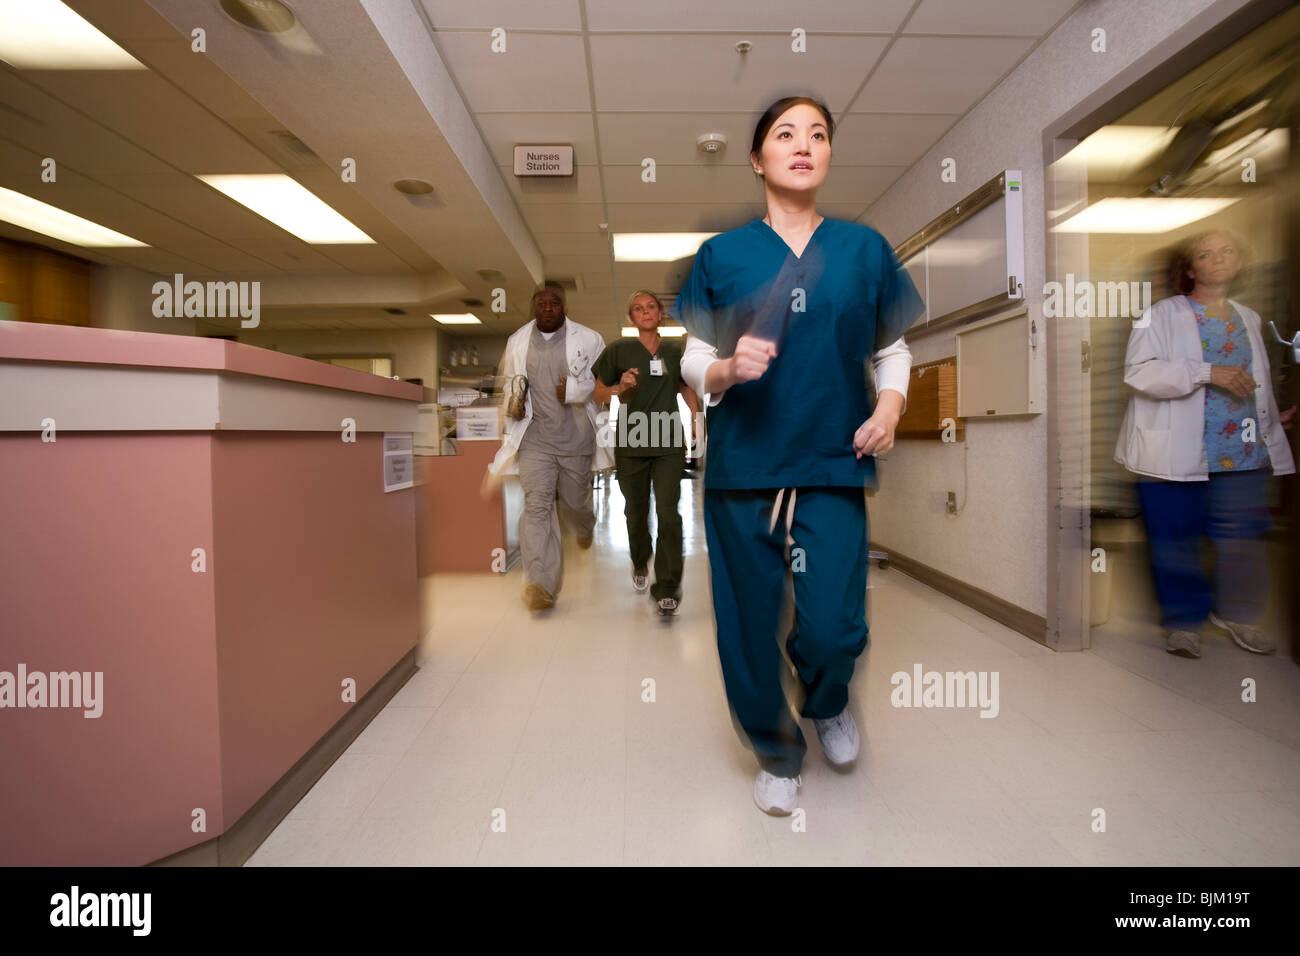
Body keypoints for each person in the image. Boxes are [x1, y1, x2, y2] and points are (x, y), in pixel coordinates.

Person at [676, 96, 921, 815]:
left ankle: (828, 698)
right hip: (745, 469)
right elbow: (691, 356)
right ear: (757, 159)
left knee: (833, 626)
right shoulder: (721, 256)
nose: (804, 144)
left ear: (828, 156)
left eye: (818, 134)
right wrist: (722, 371)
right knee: (750, 620)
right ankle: (776, 751)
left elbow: (893, 348)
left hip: (830, 462)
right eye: (785, 134)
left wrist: (889, 407)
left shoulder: (863, 250)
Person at [1115, 229, 1296, 658]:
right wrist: (1205, 372)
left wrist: (1272, 416)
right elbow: (1138, 372)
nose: (1219, 258)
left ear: (1239, 261)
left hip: (1242, 449)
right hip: (1176, 450)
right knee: (1175, 537)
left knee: (1242, 538)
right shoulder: (1157, 313)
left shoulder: (1249, 317)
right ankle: (1184, 621)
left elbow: (1256, 380)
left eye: (1228, 250)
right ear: (1190, 269)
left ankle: (1240, 615)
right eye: (1206, 253)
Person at [487, 283, 614, 610]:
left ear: (564, 306)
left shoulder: (589, 339)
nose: (547, 307)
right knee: (537, 506)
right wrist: (511, 406)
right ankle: (539, 584)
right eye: (541, 302)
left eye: (553, 302)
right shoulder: (517, 341)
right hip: (534, 440)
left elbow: (601, 386)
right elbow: (511, 384)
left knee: (574, 502)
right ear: (533, 307)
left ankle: (585, 524)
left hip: (576, 437)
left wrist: (573, 390)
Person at [592, 291, 701, 615]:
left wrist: (694, 420)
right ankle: (640, 561)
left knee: (669, 513)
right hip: (631, 443)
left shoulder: (674, 350)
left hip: (668, 441)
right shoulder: (618, 350)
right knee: (635, 513)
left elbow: (685, 386)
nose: (645, 312)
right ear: (631, 318)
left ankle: (667, 588)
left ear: (660, 313)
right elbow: (598, 392)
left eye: (651, 306)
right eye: (638, 308)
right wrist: (618, 388)